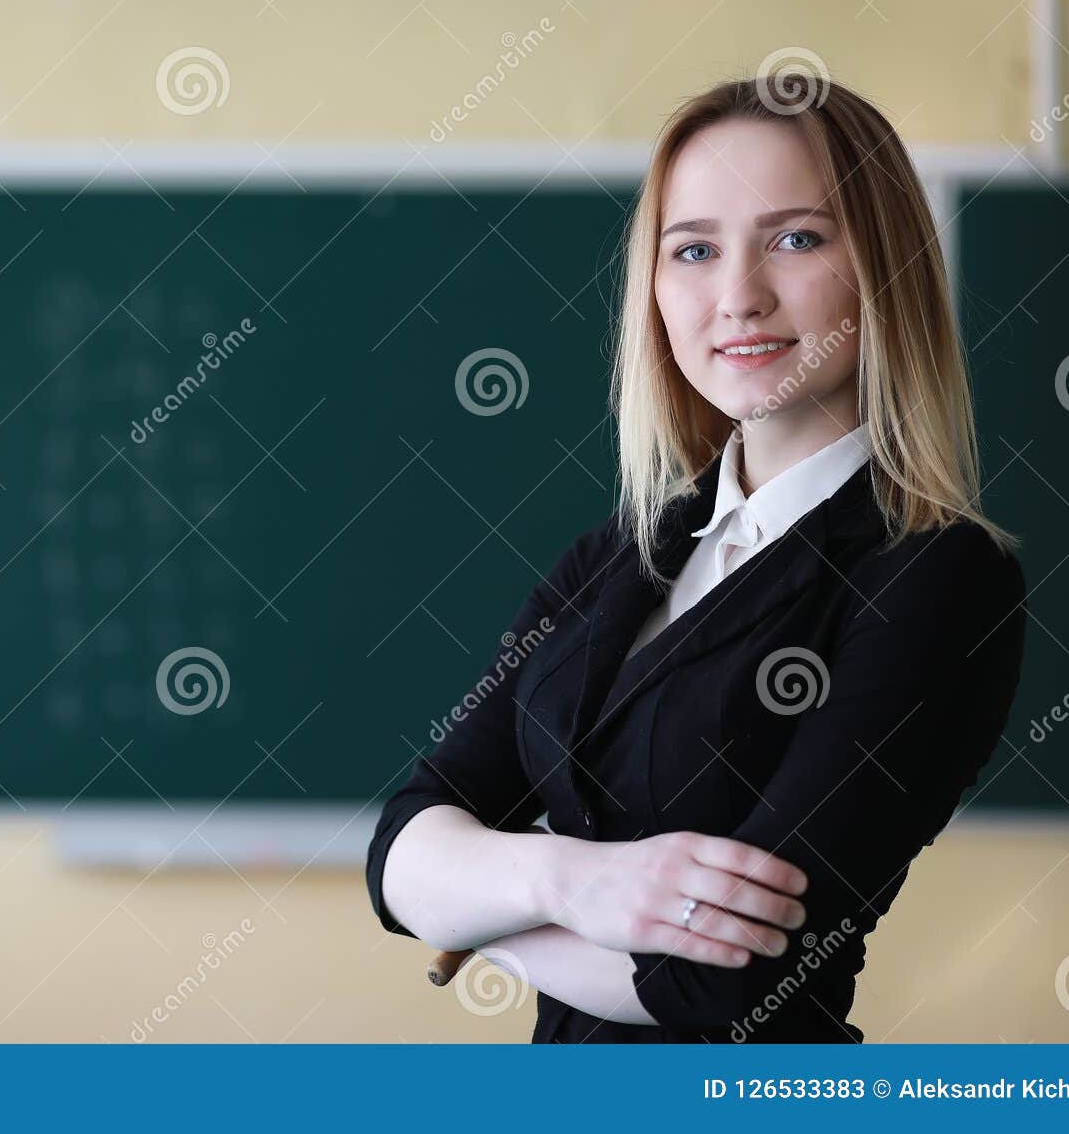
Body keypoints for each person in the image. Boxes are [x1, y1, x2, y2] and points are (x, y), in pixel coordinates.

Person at [364, 73, 1028, 1043]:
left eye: (795, 238)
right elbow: (401, 843)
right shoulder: (614, 557)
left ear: (883, 264)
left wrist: (479, 909)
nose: (738, 297)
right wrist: (569, 880)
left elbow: (724, 983)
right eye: (693, 250)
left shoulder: (937, 576)